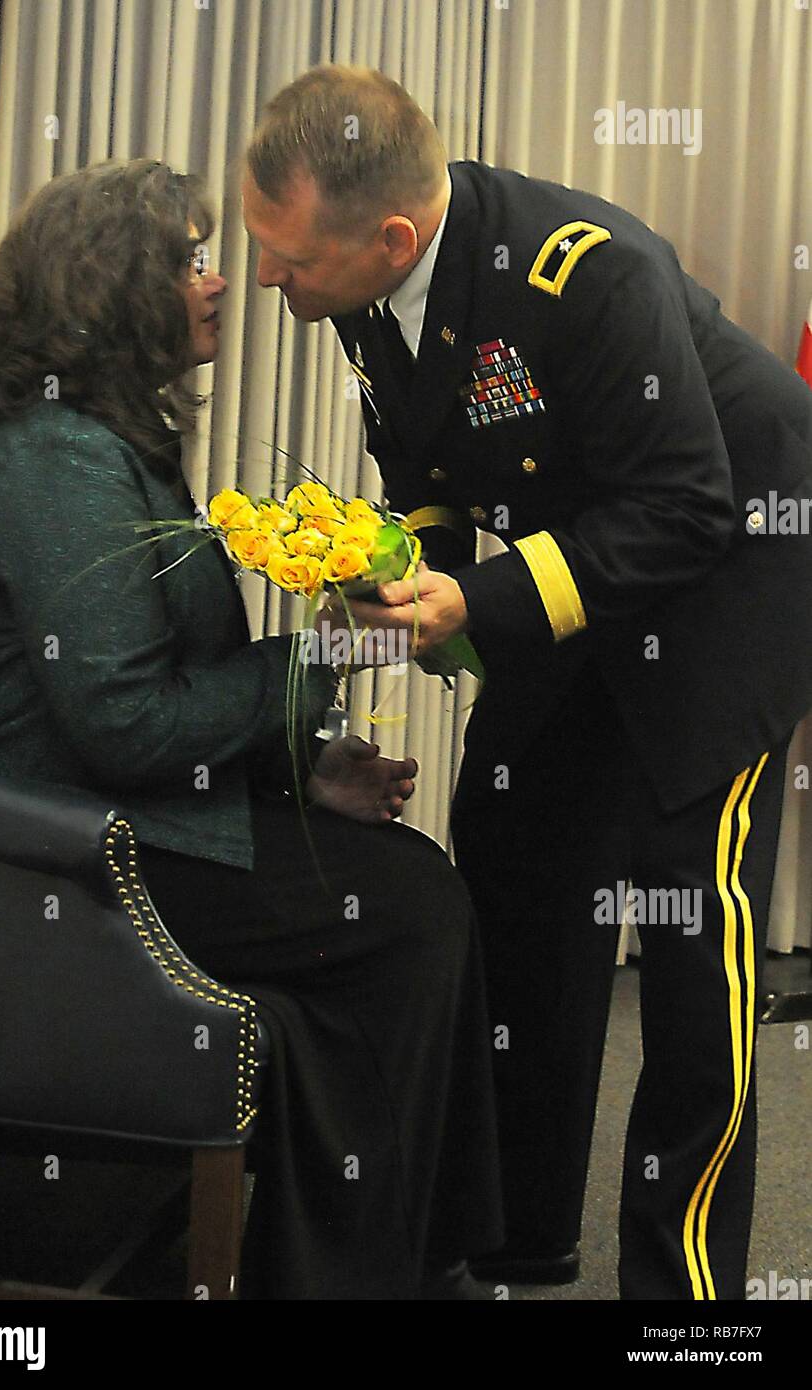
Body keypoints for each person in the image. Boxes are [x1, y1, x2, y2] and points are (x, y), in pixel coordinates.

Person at [241, 64, 812, 1300]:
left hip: (732, 574)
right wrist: (406, 569)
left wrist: (474, 602)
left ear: (389, 236)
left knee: (691, 926)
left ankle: (690, 1298)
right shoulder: (363, 292)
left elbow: (688, 504)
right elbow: (438, 465)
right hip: (590, 567)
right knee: (513, 847)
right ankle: (520, 1231)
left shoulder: (583, 269)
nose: (266, 281)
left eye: (288, 259)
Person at [0, 157, 506, 1300]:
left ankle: (404, 1256)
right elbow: (127, 722)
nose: (221, 279)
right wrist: (330, 651)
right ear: (113, 288)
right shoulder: (56, 461)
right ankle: (380, 1265)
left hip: (105, 822)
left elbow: (141, 705)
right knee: (409, 909)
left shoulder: (95, 445)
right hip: (53, 859)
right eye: (188, 260)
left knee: (413, 885)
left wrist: (299, 773)